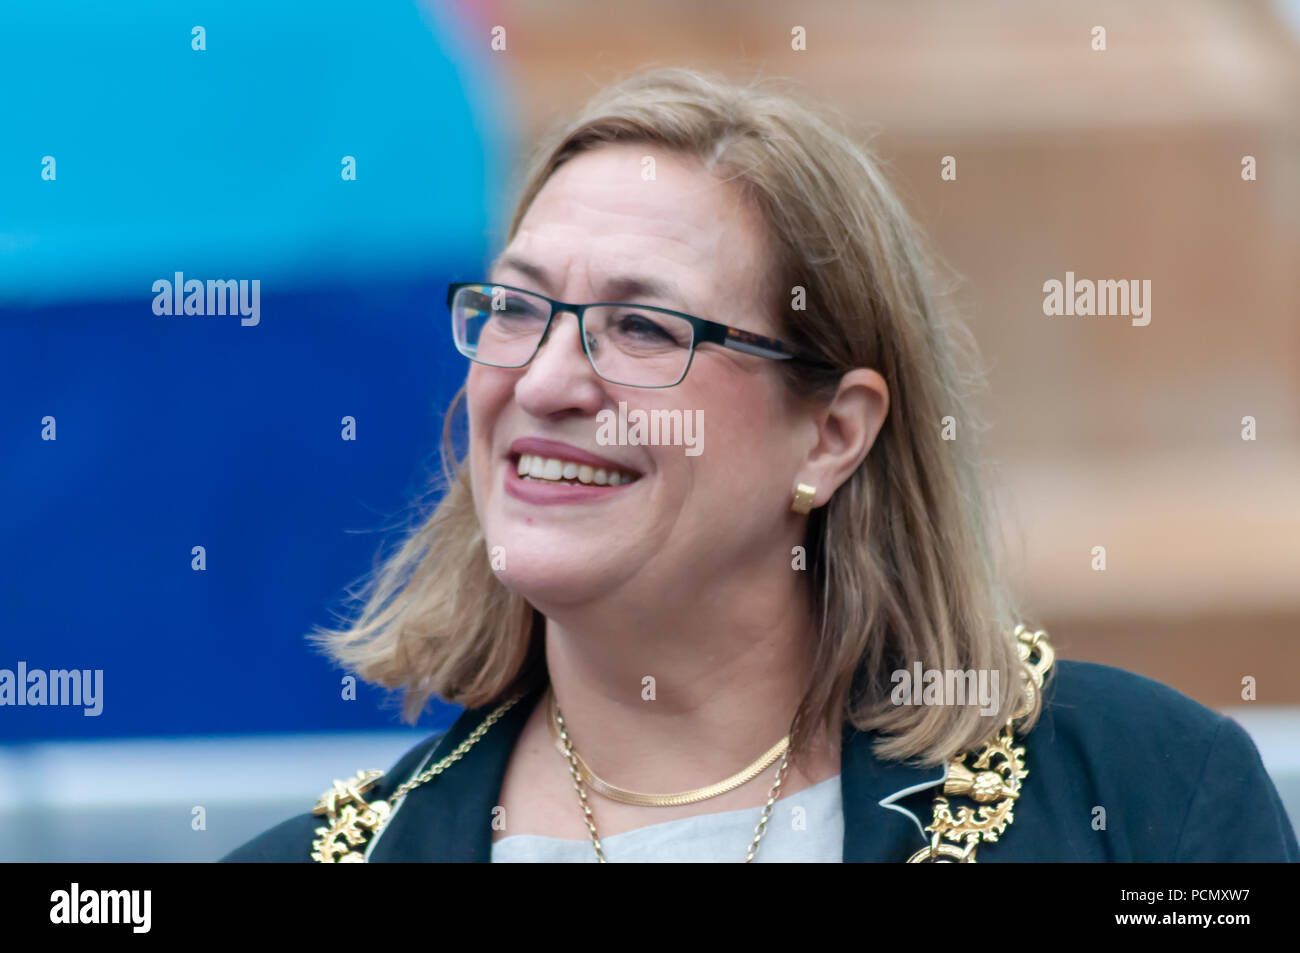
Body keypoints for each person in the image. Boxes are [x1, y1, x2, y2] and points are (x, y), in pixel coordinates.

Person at [222, 67, 1297, 863]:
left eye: (641, 327)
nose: (545, 380)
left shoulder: (1140, 795)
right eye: (516, 308)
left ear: (831, 434)